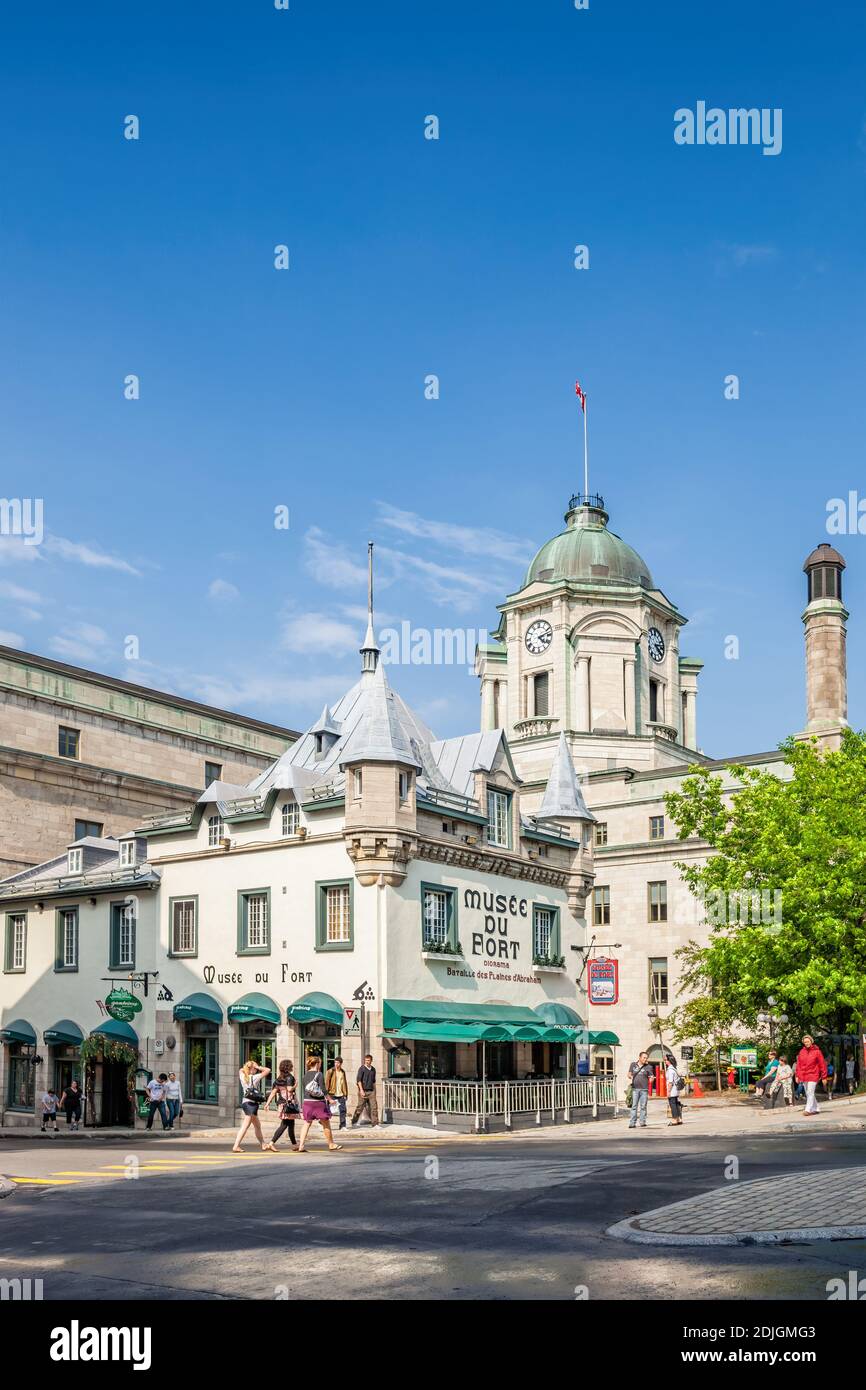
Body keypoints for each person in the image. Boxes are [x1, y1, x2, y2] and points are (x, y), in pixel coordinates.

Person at [297, 1053, 342, 1152]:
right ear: (317, 1064)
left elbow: (306, 1089)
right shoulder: (319, 1074)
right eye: (320, 1063)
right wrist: (330, 1100)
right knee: (326, 1123)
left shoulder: (304, 1076)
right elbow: (324, 1089)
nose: (320, 1065)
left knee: (307, 1123)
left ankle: (301, 1145)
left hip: (307, 1102)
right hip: (318, 1103)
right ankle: (331, 1144)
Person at [233, 1058, 272, 1152]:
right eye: (255, 1069)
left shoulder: (243, 1076)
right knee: (245, 1126)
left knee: (257, 1125)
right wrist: (258, 1066)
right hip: (251, 1104)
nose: (256, 1070)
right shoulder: (254, 1077)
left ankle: (263, 1144)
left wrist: (249, 1066)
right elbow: (268, 1070)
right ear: (252, 1069)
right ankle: (236, 1146)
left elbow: (240, 1070)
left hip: (246, 1102)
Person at [265, 1059, 299, 1151]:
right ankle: (271, 1143)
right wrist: (296, 1085)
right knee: (284, 1125)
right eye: (291, 1065)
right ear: (288, 1067)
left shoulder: (279, 1079)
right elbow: (289, 1089)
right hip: (288, 1104)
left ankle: (295, 1145)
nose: (292, 1067)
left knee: (291, 1124)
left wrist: (267, 1104)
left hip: (282, 1104)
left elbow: (273, 1092)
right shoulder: (290, 1077)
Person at [795, 1035, 828, 1116]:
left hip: (813, 1074)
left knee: (810, 1091)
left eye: (808, 1041)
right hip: (804, 1075)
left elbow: (822, 1064)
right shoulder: (801, 1052)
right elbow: (798, 1064)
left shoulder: (817, 1052)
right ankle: (816, 1108)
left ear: (811, 1041)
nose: (806, 1043)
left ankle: (808, 1109)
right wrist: (797, 1075)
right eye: (805, 1042)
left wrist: (824, 1077)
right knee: (808, 1092)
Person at [626, 1052, 654, 1129]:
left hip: (644, 1089)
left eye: (646, 1058)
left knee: (643, 1106)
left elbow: (651, 1076)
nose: (645, 1059)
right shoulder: (633, 1064)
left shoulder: (648, 1067)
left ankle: (642, 1122)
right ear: (639, 1057)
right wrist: (630, 1076)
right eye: (644, 1057)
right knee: (634, 1106)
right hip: (635, 1089)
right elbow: (629, 1074)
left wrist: (651, 1079)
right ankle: (632, 1123)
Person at [352, 1054, 379, 1127]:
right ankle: (354, 1121)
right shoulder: (362, 1068)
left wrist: (375, 1091)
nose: (367, 1062)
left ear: (371, 1061)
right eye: (366, 1060)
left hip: (371, 1091)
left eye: (368, 1060)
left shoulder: (373, 1069)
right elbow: (358, 1080)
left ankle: (375, 1124)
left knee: (374, 1107)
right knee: (359, 1108)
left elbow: (374, 1081)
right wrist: (361, 1090)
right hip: (363, 1091)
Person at [325, 1055, 349, 1130]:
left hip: (341, 1094)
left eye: (338, 1063)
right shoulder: (330, 1071)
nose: (336, 1064)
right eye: (335, 1062)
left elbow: (344, 1083)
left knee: (343, 1110)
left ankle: (342, 1126)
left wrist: (345, 1094)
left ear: (341, 1063)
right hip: (332, 1093)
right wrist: (326, 1094)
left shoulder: (342, 1072)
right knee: (329, 1110)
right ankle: (322, 1122)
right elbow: (326, 1083)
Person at [665, 1058, 684, 1126]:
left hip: (672, 1090)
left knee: (672, 1104)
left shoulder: (670, 1070)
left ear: (669, 1061)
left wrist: (668, 1091)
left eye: (666, 1060)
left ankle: (674, 1120)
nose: (665, 1061)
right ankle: (679, 1119)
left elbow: (670, 1082)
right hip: (676, 1090)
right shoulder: (674, 1068)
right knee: (676, 1104)